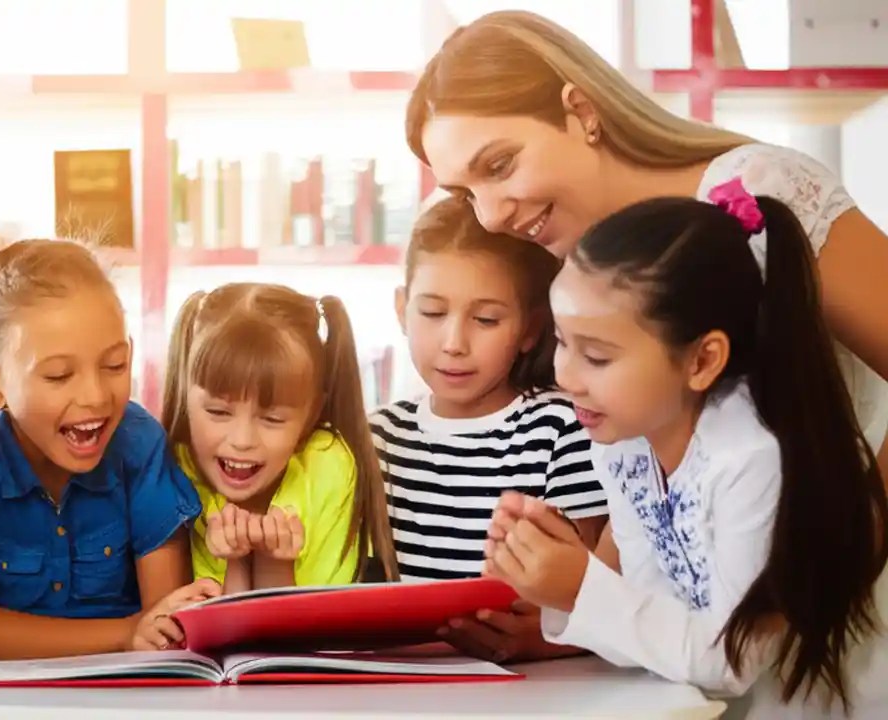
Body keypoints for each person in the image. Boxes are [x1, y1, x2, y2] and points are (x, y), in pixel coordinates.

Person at [406, 10, 888, 462]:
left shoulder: (763, 190)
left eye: (499, 165)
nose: (489, 217)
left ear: (582, 111)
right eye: (465, 193)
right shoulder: (566, 272)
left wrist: (866, 527)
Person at [486, 184, 888, 718]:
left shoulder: (751, 457)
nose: (566, 377)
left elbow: (733, 658)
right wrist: (565, 574)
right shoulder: (622, 444)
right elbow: (661, 620)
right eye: (562, 341)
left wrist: (580, 587)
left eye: (598, 357)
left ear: (702, 361)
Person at [0, 239, 213, 664]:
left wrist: (148, 631)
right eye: (59, 375)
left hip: (119, 695)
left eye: (114, 365)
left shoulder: (139, 442)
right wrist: (130, 632)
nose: (95, 397)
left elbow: (167, 625)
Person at [369, 195, 607, 662]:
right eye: (433, 313)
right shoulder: (377, 436)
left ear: (530, 329)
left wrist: (546, 641)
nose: (454, 343)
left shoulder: (560, 429)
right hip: (403, 682)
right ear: (401, 309)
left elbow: (601, 591)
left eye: (486, 319)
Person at [162, 283, 399, 594]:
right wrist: (238, 563)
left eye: (272, 419)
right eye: (218, 412)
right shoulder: (176, 472)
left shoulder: (328, 466)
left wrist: (274, 562)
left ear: (312, 412)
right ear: (186, 396)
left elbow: (307, 632)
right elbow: (216, 630)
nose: (243, 440)